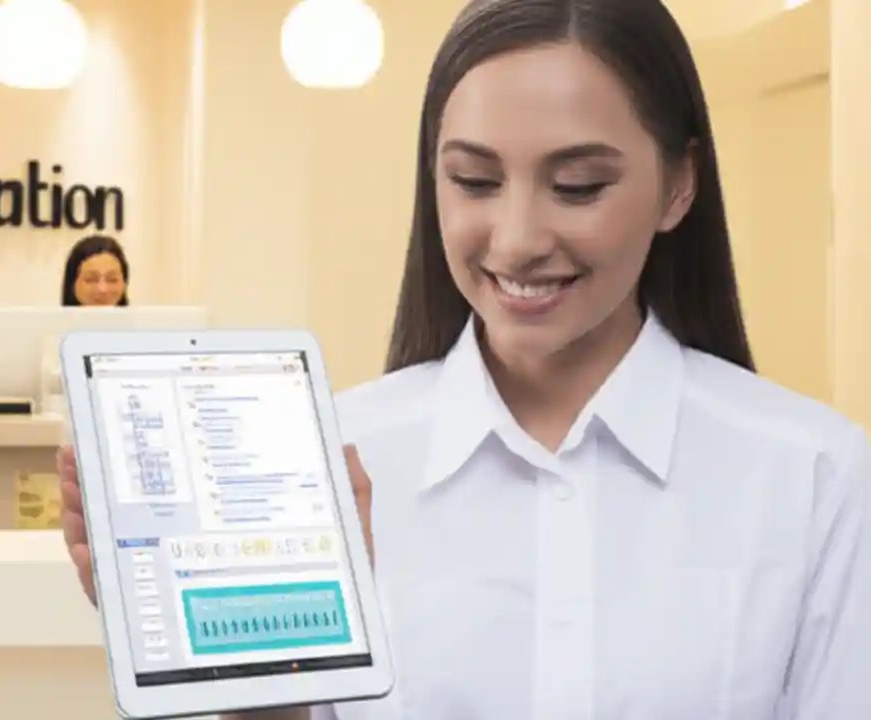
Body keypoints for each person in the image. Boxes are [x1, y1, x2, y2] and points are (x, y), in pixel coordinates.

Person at [56, 0, 871, 717]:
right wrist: (249, 690)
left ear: (679, 185)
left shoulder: (815, 476)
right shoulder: (336, 457)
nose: (516, 240)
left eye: (579, 186)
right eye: (474, 181)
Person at [61, 234, 130, 307]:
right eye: (91, 279)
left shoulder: (140, 318)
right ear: (73, 284)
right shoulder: (52, 318)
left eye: (112, 280)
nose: (102, 289)